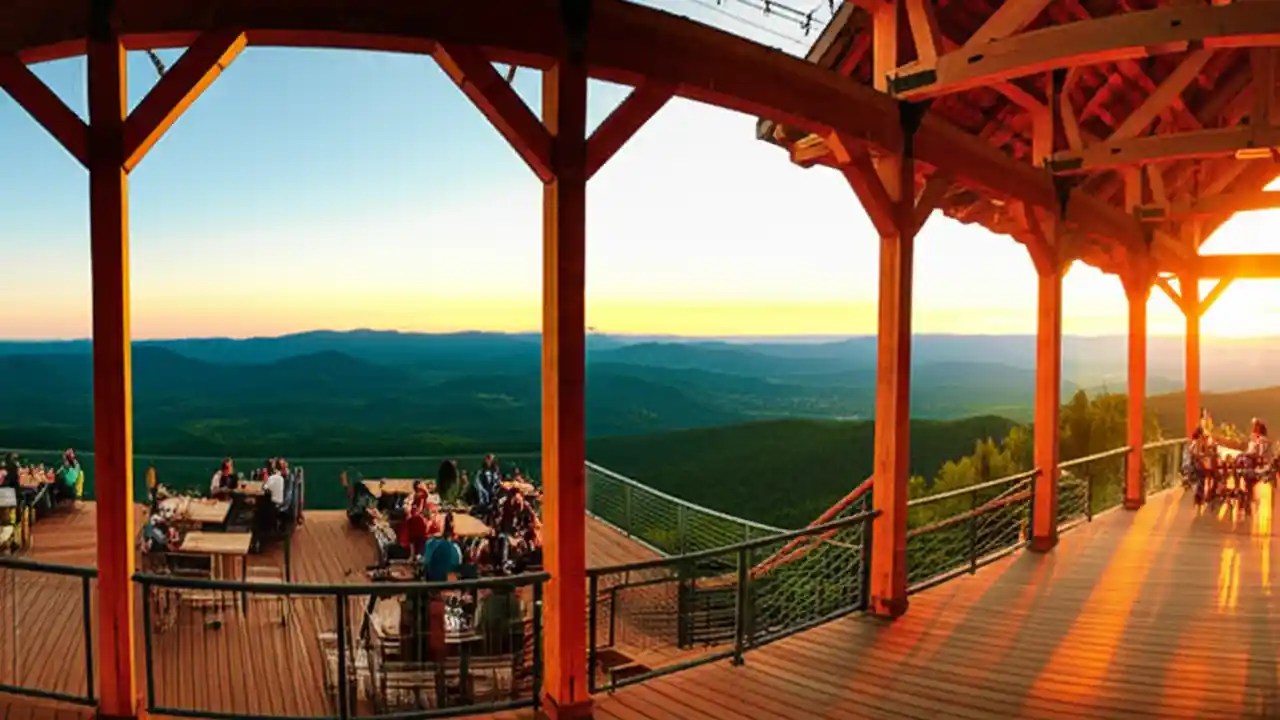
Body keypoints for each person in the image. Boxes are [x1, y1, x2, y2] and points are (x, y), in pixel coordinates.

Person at [421, 513, 463, 581]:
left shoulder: (430, 544)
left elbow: (426, 563)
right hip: (446, 583)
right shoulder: (455, 547)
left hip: (432, 583)